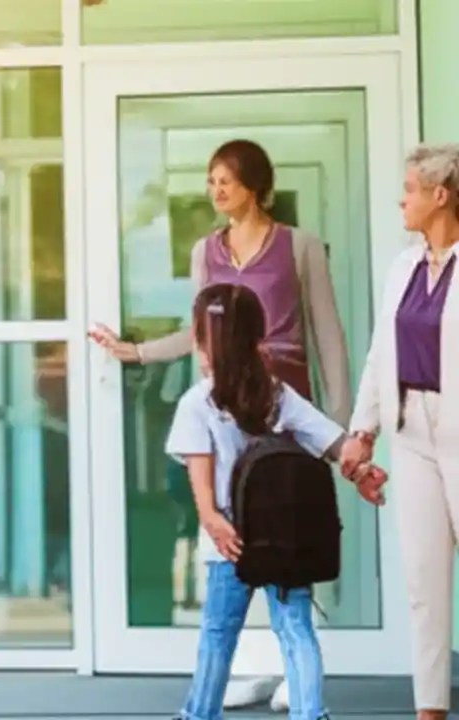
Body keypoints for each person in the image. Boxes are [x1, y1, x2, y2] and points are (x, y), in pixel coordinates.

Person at [91, 139, 352, 711]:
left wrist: (341, 420)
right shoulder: (205, 251)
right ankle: (265, 668)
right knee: (230, 535)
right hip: (227, 412)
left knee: (287, 543)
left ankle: (294, 674)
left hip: (287, 411)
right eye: (210, 182)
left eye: (225, 182)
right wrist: (135, 353)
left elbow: (326, 332)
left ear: (255, 187)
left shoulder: (299, 246)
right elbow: (199, 333)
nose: (215, 192)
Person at [165, 283, 386, 720]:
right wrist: (362, 471)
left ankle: (200, 714)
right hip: (285, 538)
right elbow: (333, 442)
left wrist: (212, 520)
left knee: (218, 633)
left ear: (201, 340)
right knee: (296, 628)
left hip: (229, 541)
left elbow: (201, 480)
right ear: (257, 335)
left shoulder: (197, 403)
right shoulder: (276, 394)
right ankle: (310, 713)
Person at [341, 143, 459, 720]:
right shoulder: (402, 267)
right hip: (412, 434)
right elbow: (377, 355)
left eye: (410, 189)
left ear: (441, 196)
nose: (401, 199)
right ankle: (430, 711)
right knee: (423, 585)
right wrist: (363, 431)